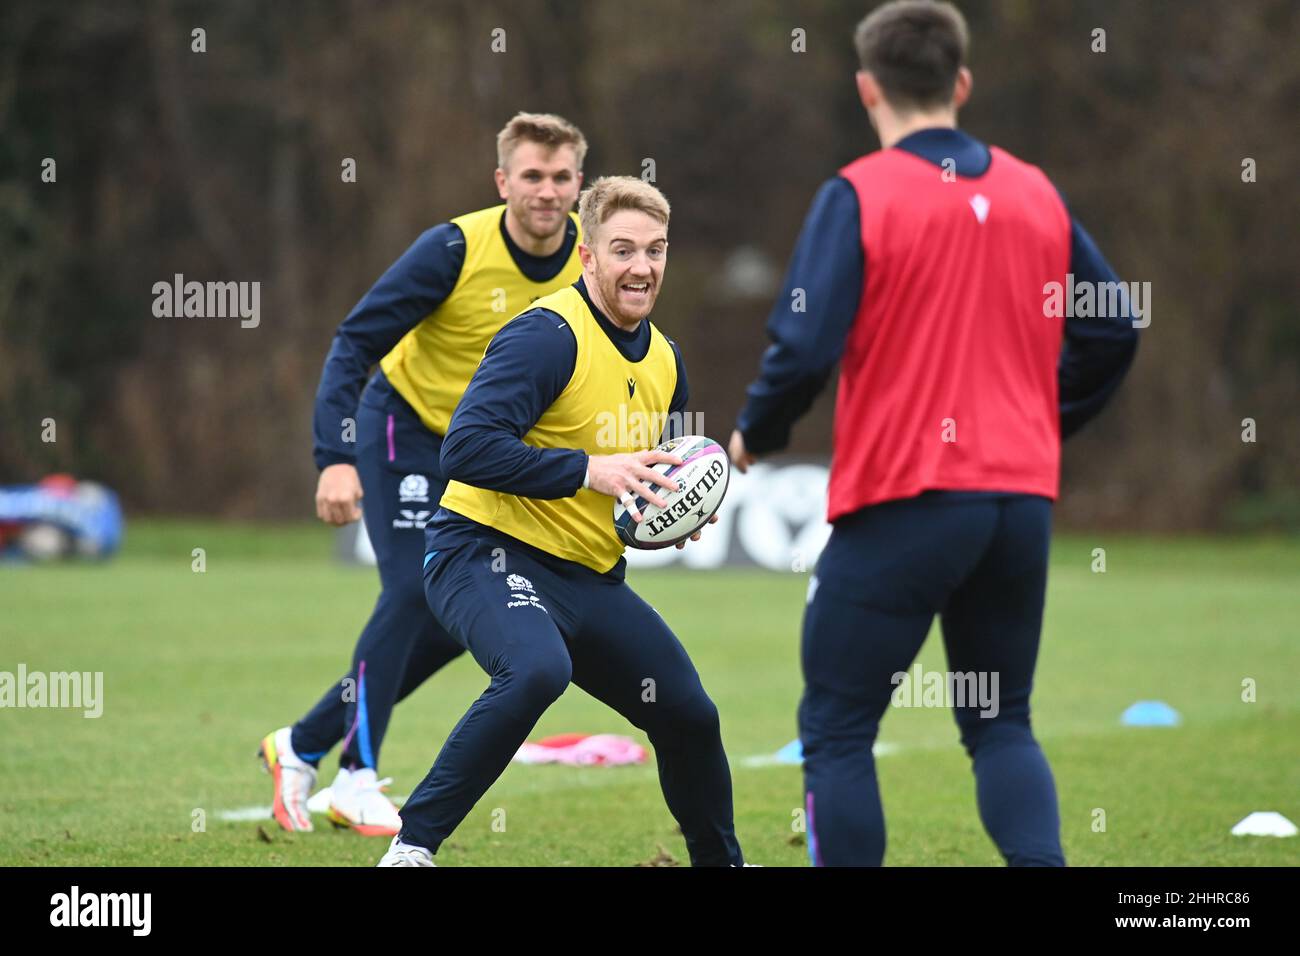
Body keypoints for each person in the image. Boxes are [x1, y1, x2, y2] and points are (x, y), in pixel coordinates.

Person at [729, 0, 1139, 866]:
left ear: (866, 88)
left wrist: (756, 434)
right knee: (1000, 724)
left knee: (837, 729)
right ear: (961, 82)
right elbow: (1113, 328)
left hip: (906, 496)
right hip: (1017, 501)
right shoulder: (1035, 190)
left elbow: (803, 346)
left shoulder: (860, 192)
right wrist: (1041, 421)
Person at [377, 176, 744, 867]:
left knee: (690, 713)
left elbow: (665, 462)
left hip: (589, 577)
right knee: (536, 670)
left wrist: (678, 507)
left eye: (656, 250)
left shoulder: (665, 358)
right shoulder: (546, 334)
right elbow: (466, 448)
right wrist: (588, 469)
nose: (642, 267)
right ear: (589, 257)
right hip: (482, 552)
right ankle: (412, 847)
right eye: (624, 249)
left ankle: (720, 863)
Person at [258, 112, 589, 837]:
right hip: (402, 432)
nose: (547, 190)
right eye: (532, 175)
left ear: (579, 184)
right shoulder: (451, 249)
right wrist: (335, 456)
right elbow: (353, 342)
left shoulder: (590, 262)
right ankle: (353, 775)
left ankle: (303, 742)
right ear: (503, 182)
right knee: (411, 590)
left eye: (561, 176)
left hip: (486, 458)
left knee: (452, 622)